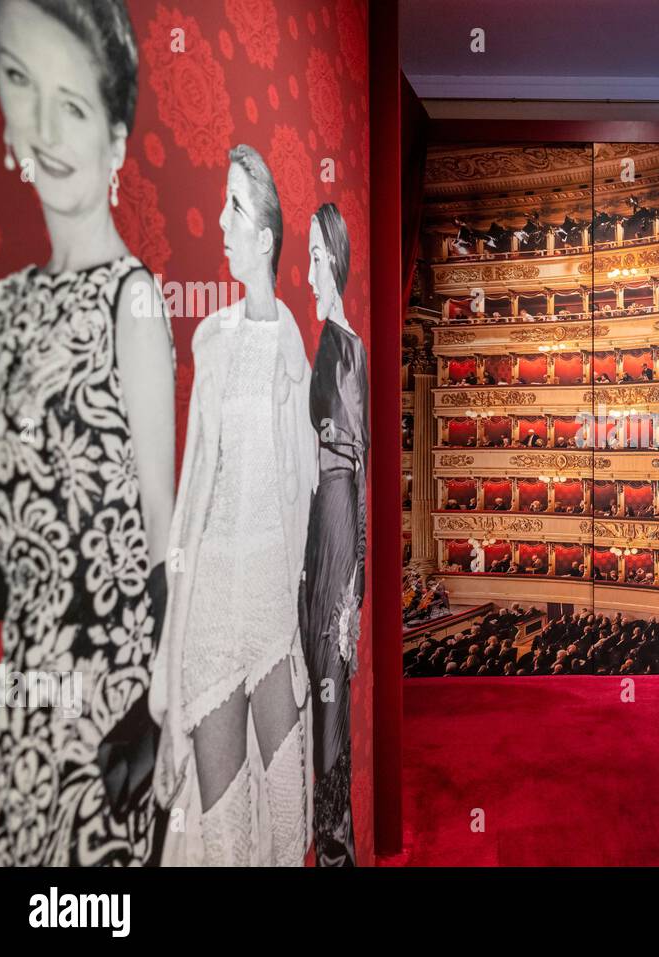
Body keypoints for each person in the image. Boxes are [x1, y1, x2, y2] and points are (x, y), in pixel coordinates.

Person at [0, 0, 173, 866]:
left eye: (76, 104)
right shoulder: (2, 310)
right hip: (24, 695)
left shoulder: (131, 304)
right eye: (21, 81)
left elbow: (163, 537)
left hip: (109, 705)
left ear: (117, 138)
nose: (45, 128)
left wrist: (154, 712)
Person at [151, 144, 315, 866]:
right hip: (215, 603)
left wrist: (306, 636)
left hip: (272, 611)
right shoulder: (209, 341)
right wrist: (170, 653)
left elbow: (304, 499)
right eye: (223, 204)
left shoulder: (292, 348)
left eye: (236, 208)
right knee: (220, 834)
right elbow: (192, 501)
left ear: (265, 238)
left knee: (286, 822)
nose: (222, 221)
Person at [299, 205, 367, 867]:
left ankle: (337, 850)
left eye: (319, 255)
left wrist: (355, 574)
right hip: (322, 528)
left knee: (330, 690)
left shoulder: (341, 345)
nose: (309, 268)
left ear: (338, 260)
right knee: (323, 691)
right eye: (308, 253)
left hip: (335, 527)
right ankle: (332, 844)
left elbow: (356, 460)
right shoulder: (328, 341)